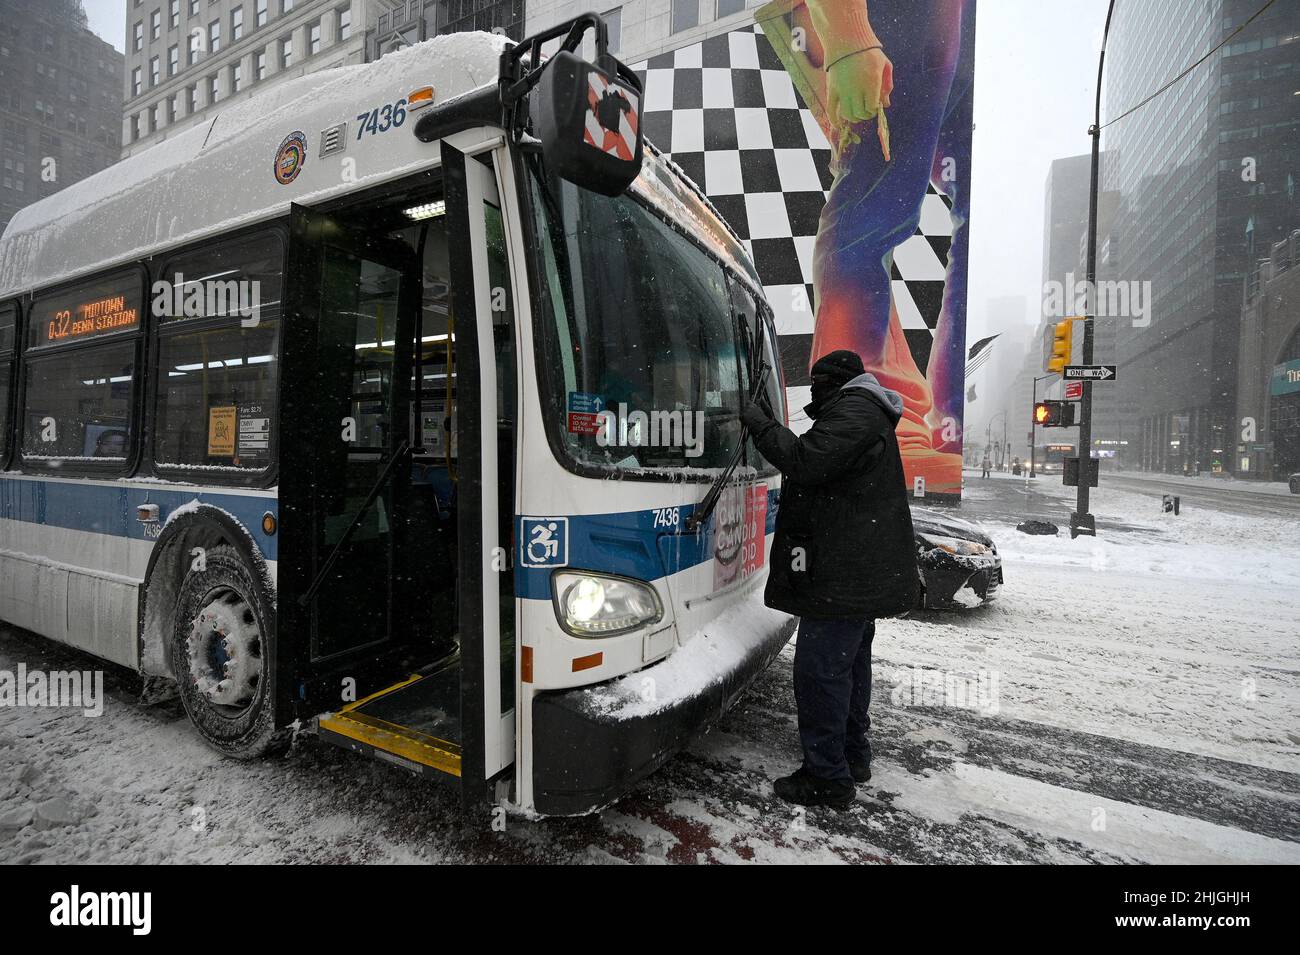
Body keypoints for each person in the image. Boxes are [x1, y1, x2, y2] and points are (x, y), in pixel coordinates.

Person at [742, 349, 919, 808]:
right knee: (849, 667)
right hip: (854, 571)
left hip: (844, 577)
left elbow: (806, 461)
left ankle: (827, 777)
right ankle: (851, 755)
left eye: (818, 383)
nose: (813, 390)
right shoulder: (861, 408)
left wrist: (760, 424)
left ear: (834, 382)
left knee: (821, 672)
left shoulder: (856, 411)